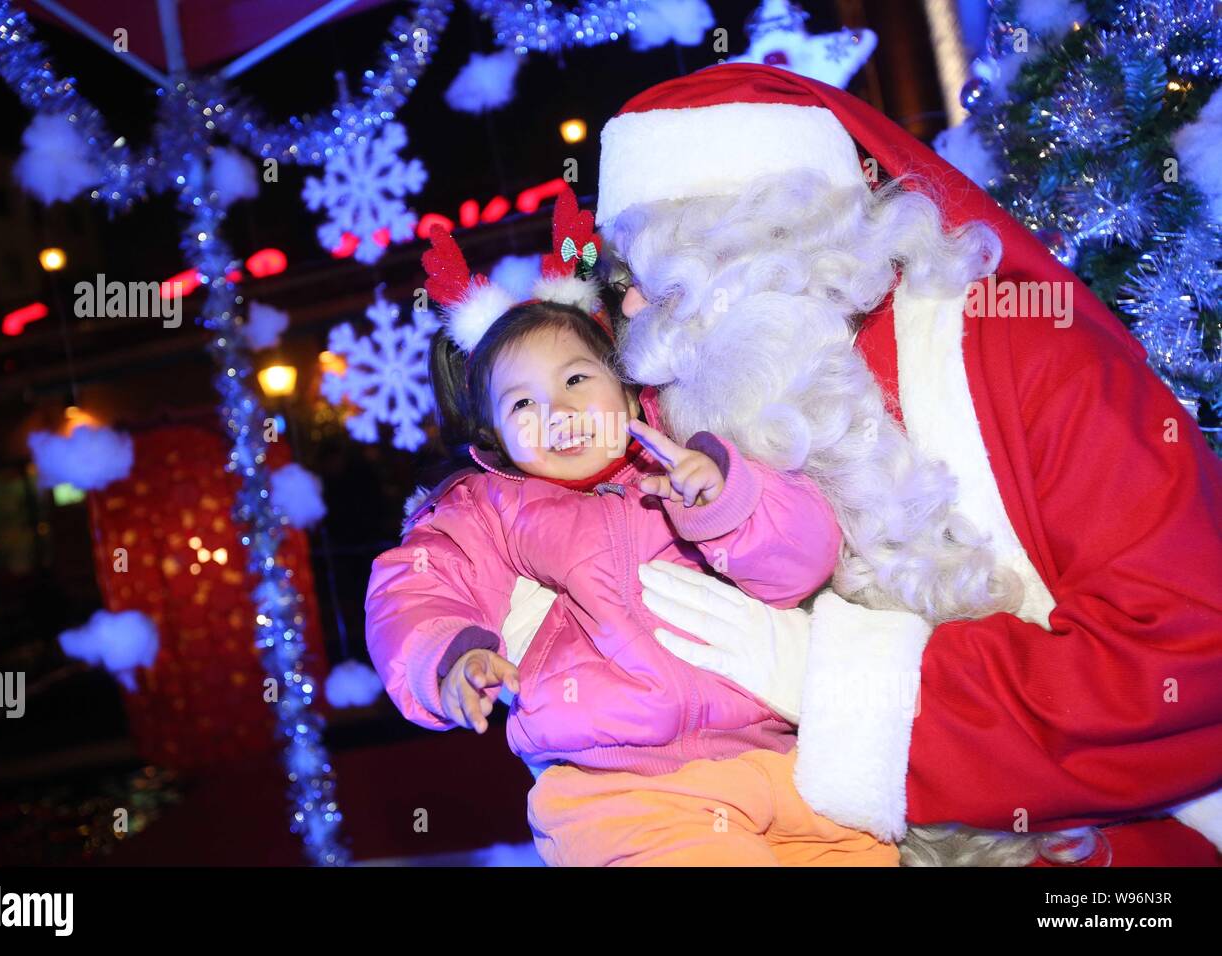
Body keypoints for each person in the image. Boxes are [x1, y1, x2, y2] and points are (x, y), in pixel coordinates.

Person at [576, 63, 1222, 866]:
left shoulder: (1029, 361)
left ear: (760, 245)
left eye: (655, 284)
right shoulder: (705, 412)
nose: (628, 312)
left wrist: (821, 677)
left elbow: (1186, 665)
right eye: (626, 284)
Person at [364, 192, 897, 865]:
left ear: (622, 385)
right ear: (495, 434)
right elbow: (415, 587)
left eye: (576, 379)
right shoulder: (490, 506)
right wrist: (449, 656)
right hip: (619, 793)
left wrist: (723, 501)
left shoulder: (691, 452)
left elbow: (803, 563)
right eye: (522, 402)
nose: (557, 411)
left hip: (782, 760)